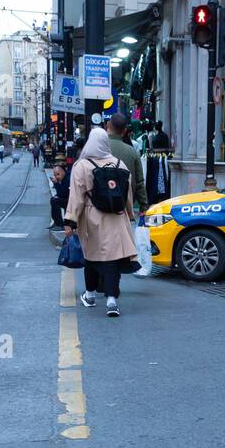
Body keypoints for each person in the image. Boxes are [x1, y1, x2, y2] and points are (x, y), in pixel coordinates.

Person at [64, 127, 140, 317]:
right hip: (117, 217)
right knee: (113, 260)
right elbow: (128, 194)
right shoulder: (119, 164)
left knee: (91, 257)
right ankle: (112, 301)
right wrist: (130, 215)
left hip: (92, 218)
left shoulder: (82, 166)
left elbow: (76, 197)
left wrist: (70, 220)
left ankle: (89, 295)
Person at [107, 113, 147, 218]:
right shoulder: (132, 152)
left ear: (108, 125)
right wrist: (143, 206)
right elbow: (139, 182)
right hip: (125, 204)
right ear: (125, 131)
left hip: (100, 204)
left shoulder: (98, 148)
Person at [50, 163, 69, 230]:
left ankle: (59, 224)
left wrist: (56, 183)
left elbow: (63, 193)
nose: (57, 177)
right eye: (55, 175)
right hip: (67, 198)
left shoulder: (68, 178)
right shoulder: (63, 178)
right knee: (54, 199)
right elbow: (60, 193)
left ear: (63, 171)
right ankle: (57, 222)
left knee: (55, 200)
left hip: (71, 200)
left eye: (58, 174)